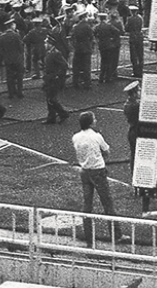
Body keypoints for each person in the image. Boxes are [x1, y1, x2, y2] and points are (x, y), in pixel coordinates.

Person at [71, 111, 123, 244]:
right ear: (90, 122)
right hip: (98, 171)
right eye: (94, 119)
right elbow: (107, 152)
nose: (95, 121)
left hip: (85, 171)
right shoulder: (96, 136)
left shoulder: (76, 137)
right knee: (107, 203)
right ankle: (116, 235)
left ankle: (88, 235)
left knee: (87, 204)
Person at [42, 41, 70, 125]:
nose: (45, 44)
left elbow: (64, 65)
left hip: (53, 78)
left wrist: (58, 75)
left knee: (51, 99)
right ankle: (51, 117)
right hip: (49, 78)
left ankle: (63, 114)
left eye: (46, 42)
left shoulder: (56, 53)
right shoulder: (49, 52)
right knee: (49, 99)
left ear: (51, 44)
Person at [122, 81, 140, 160]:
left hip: (133, 130)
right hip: (137, 130)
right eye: (139, 90)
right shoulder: (134, 106)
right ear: (135, 93)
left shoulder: (129, 103)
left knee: (134, 154)